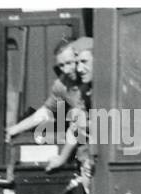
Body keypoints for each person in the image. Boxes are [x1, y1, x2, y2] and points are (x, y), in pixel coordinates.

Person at [7, 35, 94, 182]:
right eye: (61, 65)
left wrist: (62, 157)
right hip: (86, 154)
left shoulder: (90, 82)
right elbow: (46, 112)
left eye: (70, 63)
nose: (66, 70)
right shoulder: (61, 85)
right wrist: (15, 129)